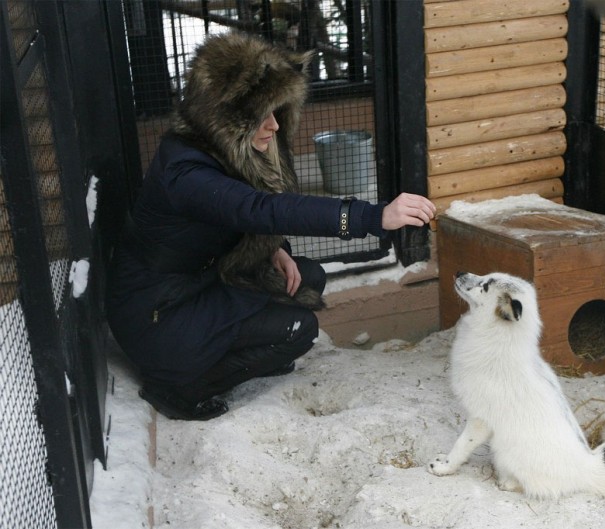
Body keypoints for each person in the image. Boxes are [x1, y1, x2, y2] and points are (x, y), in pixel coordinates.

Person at [105, 32, 436, 421]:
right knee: (299, 327)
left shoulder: (221, 150)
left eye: (278, 112)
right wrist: (373, 217)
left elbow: (236, 217)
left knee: (307, 279)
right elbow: (260, 209)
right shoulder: (186, 172)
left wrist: (272, 248)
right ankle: (177, 386)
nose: (275, 126)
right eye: (263, 115)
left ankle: (235, 349)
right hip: (159, 313)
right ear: (228, 119)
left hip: (198, 284)